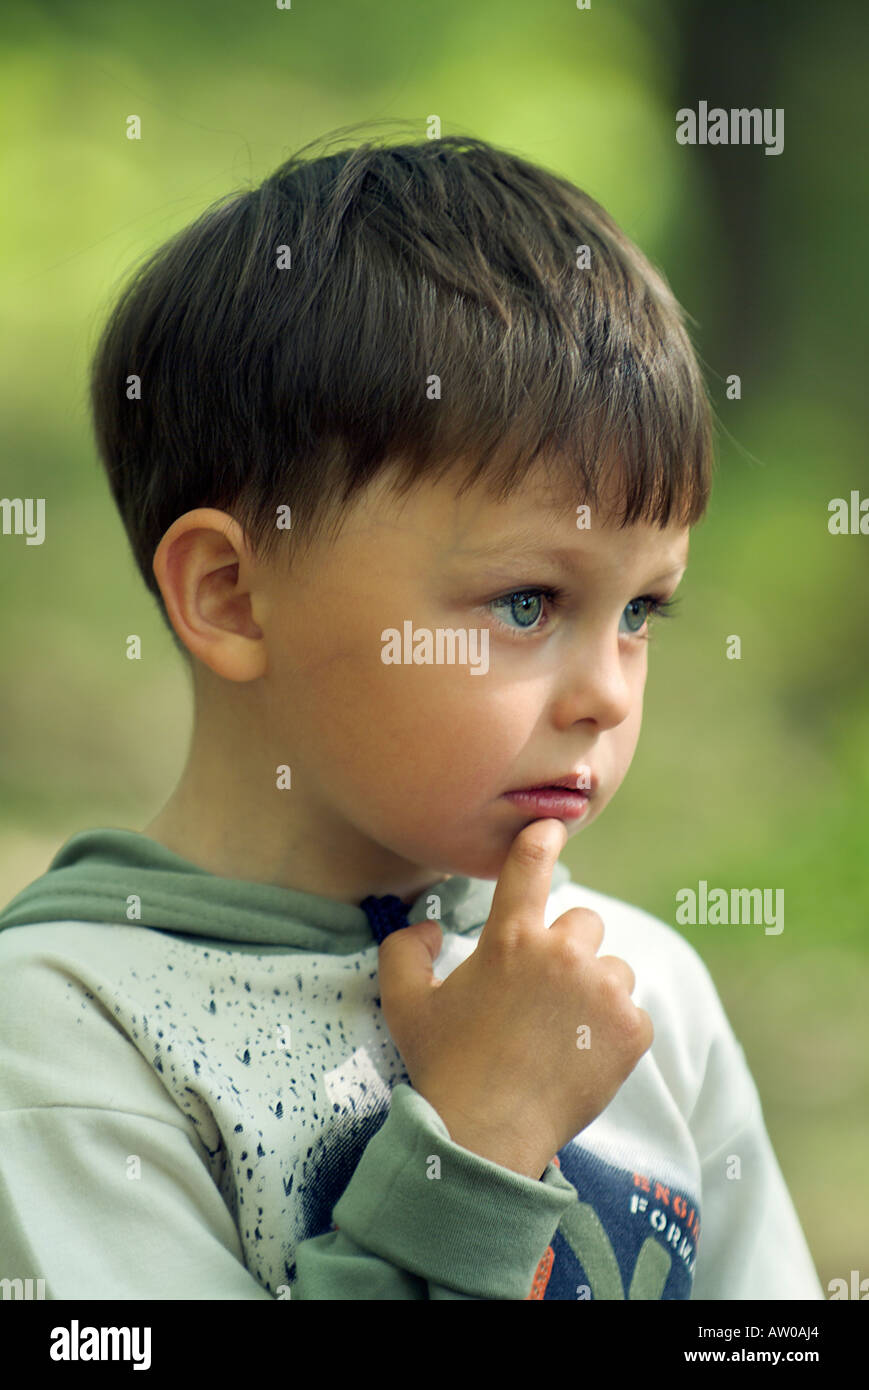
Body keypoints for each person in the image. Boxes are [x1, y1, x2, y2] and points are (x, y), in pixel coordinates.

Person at [0, 132, 822, 1300]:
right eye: (527, 602)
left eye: (640, 611)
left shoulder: (637, 990)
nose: (604, 694)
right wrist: (475, 1152)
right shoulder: (66, 1038)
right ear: (233, 596)